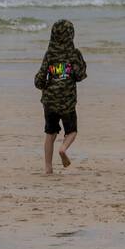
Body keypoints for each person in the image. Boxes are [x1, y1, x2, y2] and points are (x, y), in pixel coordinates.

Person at [33, 19, 87, 175]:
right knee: (71, 131)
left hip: (49, 101)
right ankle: (63, 149)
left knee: (50, 133)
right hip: (67, 101)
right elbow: (80, 75)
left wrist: (43, 86)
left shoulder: (49, 54)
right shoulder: (74, 54)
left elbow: (40, 79)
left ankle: (48, 168)